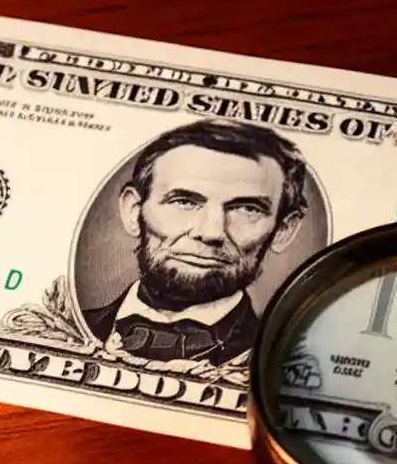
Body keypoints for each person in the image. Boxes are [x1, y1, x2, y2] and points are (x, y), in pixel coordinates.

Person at [82, 119, 309, 369]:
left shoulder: (280, 363)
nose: (211, 232)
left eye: (246, 209)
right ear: (134, 212)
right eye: (184, 202)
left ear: (283, 230)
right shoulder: (71, 326)